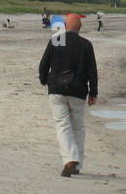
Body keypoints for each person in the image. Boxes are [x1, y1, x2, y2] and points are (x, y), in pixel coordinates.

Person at [38, 13, 98, 177]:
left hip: (57, 89)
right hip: (78, 90)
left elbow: (44, 64)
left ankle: (70, 160)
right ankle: (76, 163)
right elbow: (92, 71)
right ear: (79, 27)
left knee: (63, 125)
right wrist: (93, 92)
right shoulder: (86, 45)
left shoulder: (56, 40)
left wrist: (44, 80)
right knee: (78, 127)